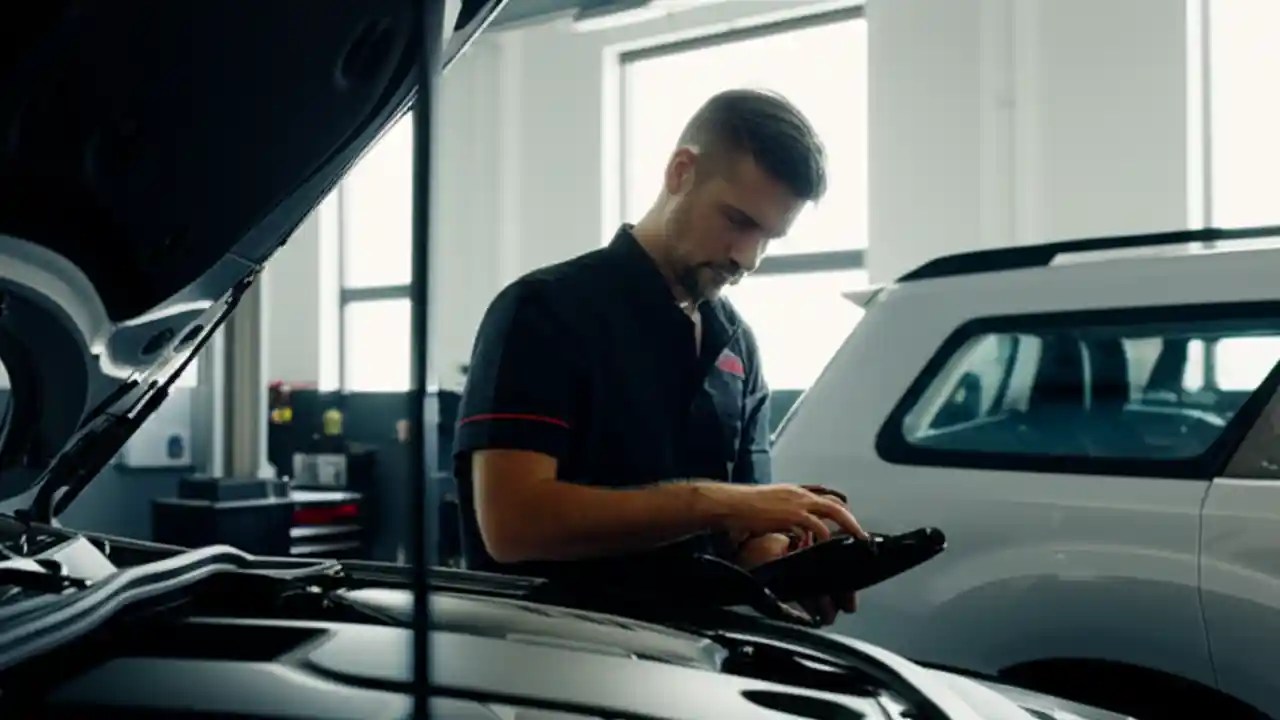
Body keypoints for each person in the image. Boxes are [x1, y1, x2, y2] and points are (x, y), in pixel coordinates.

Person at [452, 88, 863, 625]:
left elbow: (738, 537)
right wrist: (716, 503)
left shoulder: (737, 346)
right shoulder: (544, 311)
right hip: (546, 660)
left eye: (769, 236)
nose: (749, 257)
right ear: (680, 172)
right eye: (738, 221)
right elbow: (513, 526)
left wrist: (786, 566)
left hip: (691, 663)